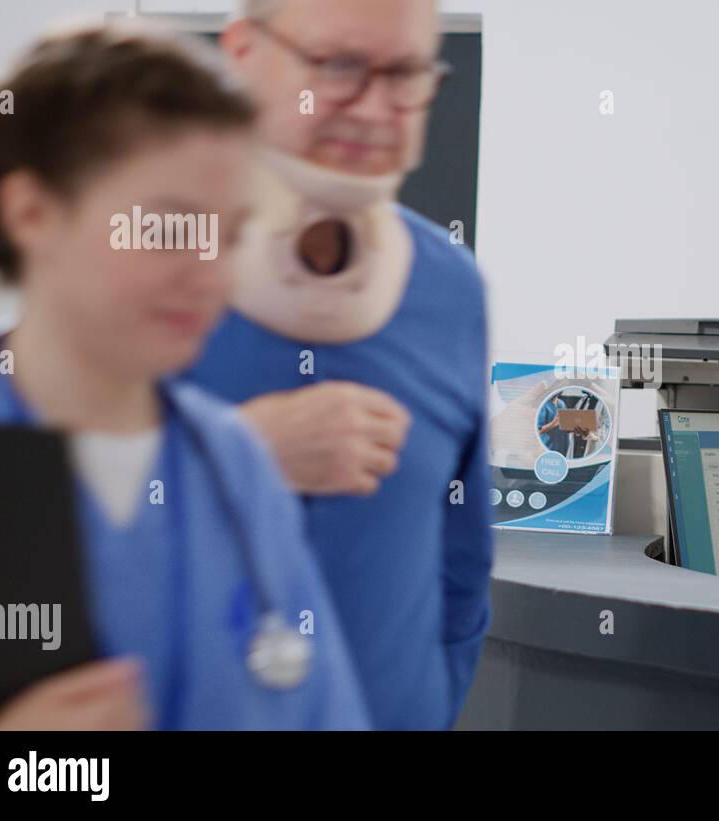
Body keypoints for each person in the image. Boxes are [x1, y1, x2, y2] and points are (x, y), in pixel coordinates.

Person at [0, 26, 369, 728]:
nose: (212, 273)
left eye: (231, 232)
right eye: (171, 227)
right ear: (30, 212)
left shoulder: (231, 462)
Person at [184, 0, 493, 728]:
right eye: (340, 66)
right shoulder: (134, 262)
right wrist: (242, 452)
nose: (377, 108)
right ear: (242, 52)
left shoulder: (449, 287)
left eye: (408, 73)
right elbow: (34, 539)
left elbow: (461, 566)